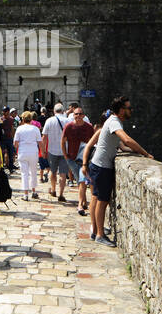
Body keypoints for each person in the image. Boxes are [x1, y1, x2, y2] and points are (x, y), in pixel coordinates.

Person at [83, 95, 153, 245]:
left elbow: (121, 145)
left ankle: (95, 231)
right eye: (129, 108)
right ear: (121, 110)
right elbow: (126, 140)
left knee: (96, 198)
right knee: (102, 200)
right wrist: (145, 153)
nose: (131, 110)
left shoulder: (113, 121)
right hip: (102, 166)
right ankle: (100, 235)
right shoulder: (114, 122)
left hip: (97, 164)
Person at [62, 104, 95, 216]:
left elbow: (93, 142)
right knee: (79, 180)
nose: (78, 116)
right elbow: (63, 141)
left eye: (80, 114)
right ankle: (84, 201)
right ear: (73, 115)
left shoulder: (89, 127)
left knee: (81, 180)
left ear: (84, 115)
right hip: (71, 159)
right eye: (76, 114)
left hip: (84, 159)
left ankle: (80, 205)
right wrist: (65, 155)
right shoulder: (69, 126)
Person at [42, 103, 68, 201]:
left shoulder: (49, 121)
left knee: (52, 172)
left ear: (54, 111)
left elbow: (44, 136)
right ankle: (61, 194)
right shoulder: (67, 121)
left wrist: (43, 150)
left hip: (52, 150)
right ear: (63, 110)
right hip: (64, 150)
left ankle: (53, 190)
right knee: (63, 173)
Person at [14, 110, 43, 200]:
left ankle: (25, 194)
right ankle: (34, 191)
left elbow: (15, 142)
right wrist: (43, 151)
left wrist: (16, 150)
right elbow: (40, 142)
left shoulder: (19, 129)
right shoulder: (35, 129)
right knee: (33, 172)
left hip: (23, 151)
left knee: (24, 173)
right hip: (33, 152)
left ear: (23, 119)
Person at [0, 107, 17, 172]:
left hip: (9, 138)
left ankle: (11, 167)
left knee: (10, 153)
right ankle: (2, 167)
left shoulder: (11, 119)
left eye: (5, 111)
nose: (4, 112)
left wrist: (13, 137)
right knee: (2, 153)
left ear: (8, 111)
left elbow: (12, 128)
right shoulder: (1, 119)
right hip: (2, 139)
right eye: (3, 111)